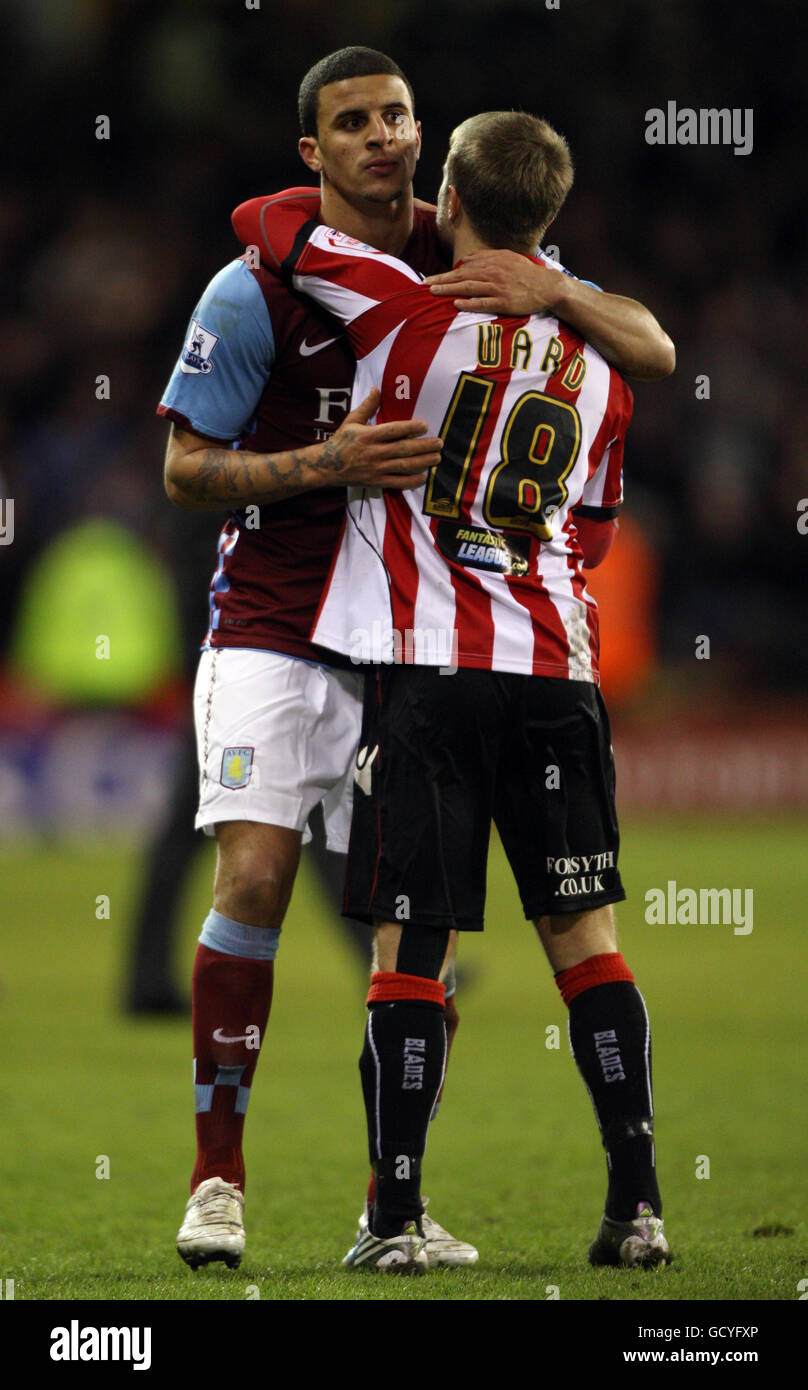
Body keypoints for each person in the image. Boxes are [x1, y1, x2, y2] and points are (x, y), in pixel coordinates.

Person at [160, 45, 674, 1274]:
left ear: (436, 160)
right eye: (353, 122)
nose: (381, 136)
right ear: (315, 150)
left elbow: (631, 329)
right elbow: (183, 471)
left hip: (413, 653)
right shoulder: (252, 294)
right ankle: (216, 1183)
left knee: (416, 935)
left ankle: (395, 1210)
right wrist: (329, 466)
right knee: (257, 886)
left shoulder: (446, 291)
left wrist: (549, 292)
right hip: (289, 627)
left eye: (398, 116)